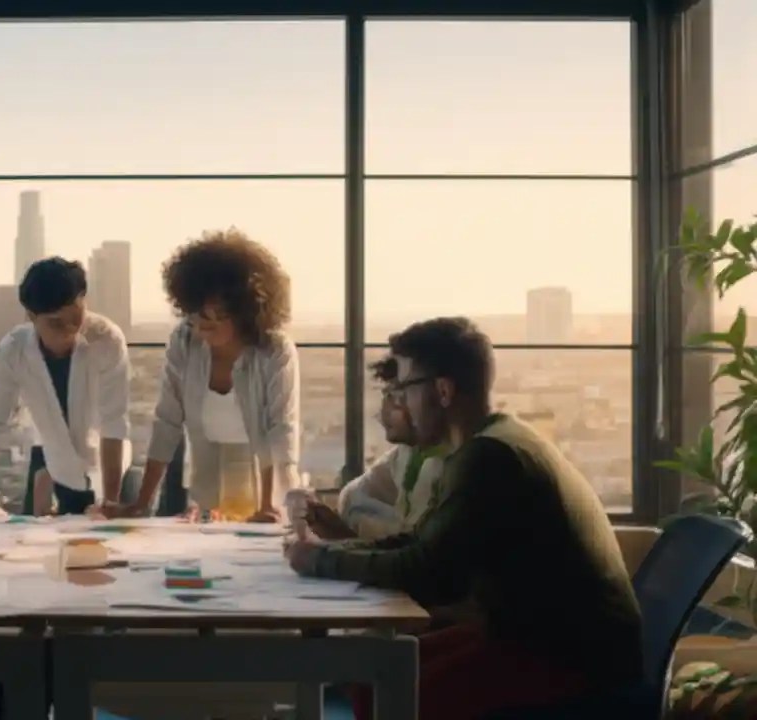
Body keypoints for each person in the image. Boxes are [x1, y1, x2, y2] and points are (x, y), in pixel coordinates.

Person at [286, 317, 642, 720]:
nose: (399, 401)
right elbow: (421, 544)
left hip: (569, 659)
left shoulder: (487, 458)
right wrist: (336, 547)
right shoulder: (492, 442)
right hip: (550, 639)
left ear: (442, 391)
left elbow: (429, 573)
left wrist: (319, 560)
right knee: (371, 674)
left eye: (404, 388)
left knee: (379, 685)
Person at [110, 228, 301, 522]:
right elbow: (167, 422)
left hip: (263, 480)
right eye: (196, 317)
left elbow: (280, 433)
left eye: (214, 319)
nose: (202, 329)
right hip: (205, 477)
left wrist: (267, 506)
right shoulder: (185, 340)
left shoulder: (274, 351)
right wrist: (141, 503)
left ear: (245, 312)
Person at [0, 257, 130, 515]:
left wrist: (111, 503)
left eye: (76, 315)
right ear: (32, 317)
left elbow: (113, 424)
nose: (70, 328)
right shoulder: (13, 350)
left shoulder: (107, 340)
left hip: (109, 470)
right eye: (56, 323)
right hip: (57, 468)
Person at [305, 355, 446, 541]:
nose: (382, 412)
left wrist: (349, 542)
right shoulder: (407, 454)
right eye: (387, 395)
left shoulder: (458, 465)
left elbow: (419, 552)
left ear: (442, 393)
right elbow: (353, 497)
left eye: (394, 395)